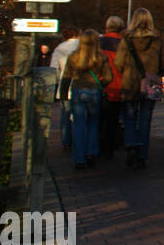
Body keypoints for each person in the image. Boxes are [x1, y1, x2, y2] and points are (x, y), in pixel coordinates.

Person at [114, 8, 164, 169]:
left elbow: (118, 63)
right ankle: (142, 154)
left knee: (129, 117)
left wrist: (128, 71)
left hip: (130, 84)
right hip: (150, 84)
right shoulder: (157, 40)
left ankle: (130, 144)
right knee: (145, 119)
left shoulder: (126, 40)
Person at [62, 30, 111, 170]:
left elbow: (66, 77)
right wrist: (100, 85)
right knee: (93, 124)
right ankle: (91, 153)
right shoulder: (101, 57)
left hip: (78, 91)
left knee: (78, 124)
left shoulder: (74, 57)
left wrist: (64, 94)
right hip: (94, 92)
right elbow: (108, 77)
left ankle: (79, 158)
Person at [98, 16, 125, 159]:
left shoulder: (98, 42)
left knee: (98, 118)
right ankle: (109, 148)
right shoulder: (124, 44)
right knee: (112, 120)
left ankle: (96, 146)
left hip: (100, 84)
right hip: (118, 86)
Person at [49, 27, 81, 149]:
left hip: (65, 85)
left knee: (65, 114)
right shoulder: (82, 46)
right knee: (79, 114)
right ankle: (79, 140)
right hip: (80, 84)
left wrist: (57, 80)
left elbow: (54, 68)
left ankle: (65, 140)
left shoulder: (59, 49)